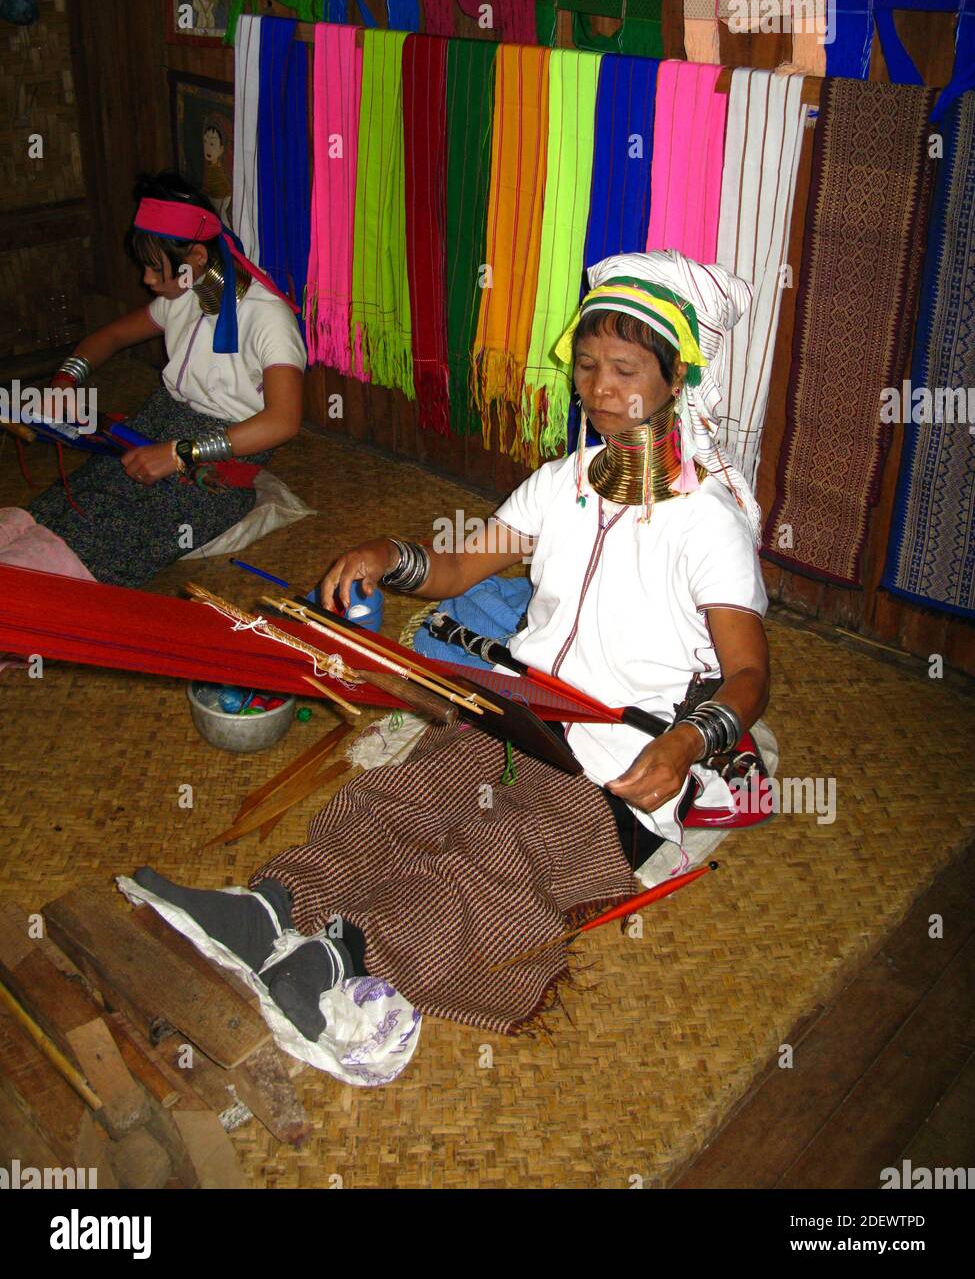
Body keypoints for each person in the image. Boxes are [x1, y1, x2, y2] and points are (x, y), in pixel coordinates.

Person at [131, 250, 771, 1044]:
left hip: (622, 756)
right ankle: (269, 910)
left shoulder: (705, 519)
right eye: (587, 366)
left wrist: (684, 744)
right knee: (397, 798)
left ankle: (344, 959)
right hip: (523, 718)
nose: (600, 390)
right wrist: (386, 555)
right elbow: (464, 563)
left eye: (625, 369)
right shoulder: (564, 481)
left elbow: (746, 675)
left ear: (676, 381)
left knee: (498, 852)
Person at [25, 172, 306, 589]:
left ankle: (28, 609)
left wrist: (180, 453)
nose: (147, 280)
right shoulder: (186, 296)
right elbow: (113, 336)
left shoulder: (266, 317)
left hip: (223, 450)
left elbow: (283, 421)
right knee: (70, 503)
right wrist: (67, 378)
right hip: (158, 420)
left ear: (194, 258)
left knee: (107, 534)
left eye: (155, 269)